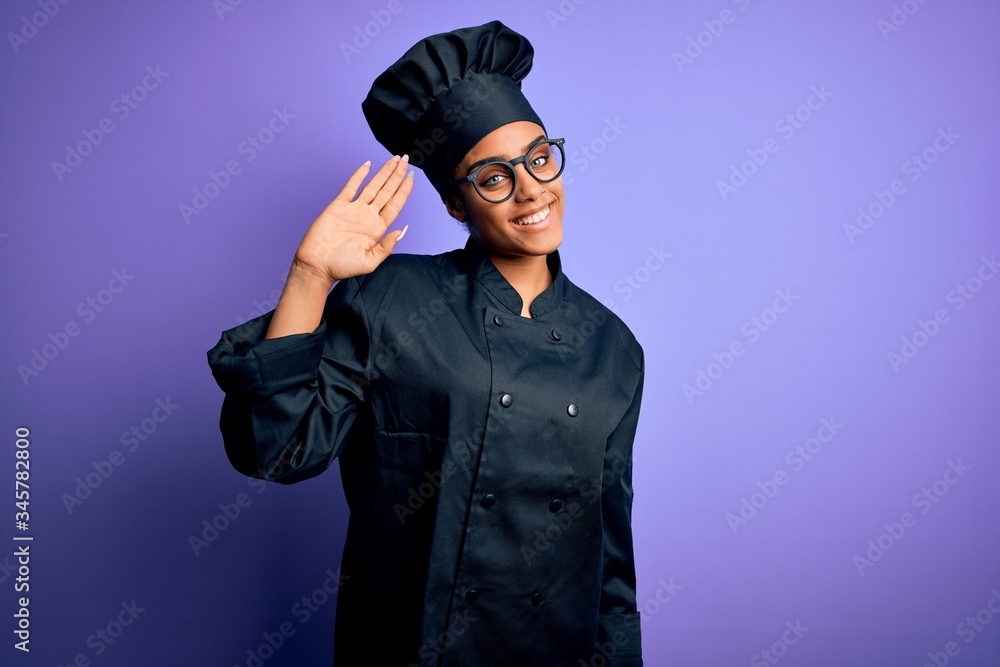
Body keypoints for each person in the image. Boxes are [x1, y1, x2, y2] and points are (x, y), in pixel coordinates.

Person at [207, 20, 644, 666]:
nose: (530, 189)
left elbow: (610, 567)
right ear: (454, 204)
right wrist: (311, 275)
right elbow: (277, 449)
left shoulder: (614, 348)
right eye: (493, 177)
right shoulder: (393, 298)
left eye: (539, 158)